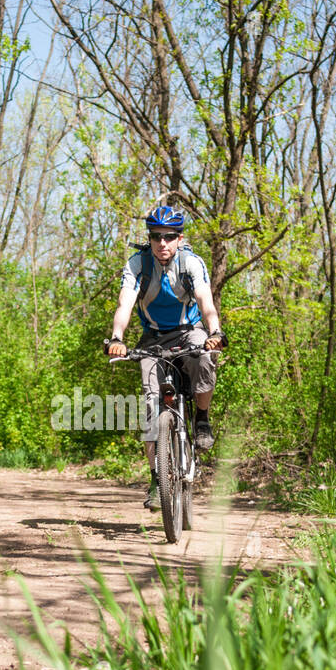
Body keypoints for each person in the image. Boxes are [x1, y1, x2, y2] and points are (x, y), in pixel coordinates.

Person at [105, 205, 228, 510]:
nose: (163, 243)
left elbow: (205, 301)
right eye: (156, 236)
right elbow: (124, 305)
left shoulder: (191, 263)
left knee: (204, 358)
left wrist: (215, 332)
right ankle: (156, 480)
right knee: (150, 404)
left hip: (190, 331)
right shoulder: (137, 265)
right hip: (154, 338)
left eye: (169, 237)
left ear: (179, 238)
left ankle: (201, 419)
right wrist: (118, 337)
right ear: (150, 238)